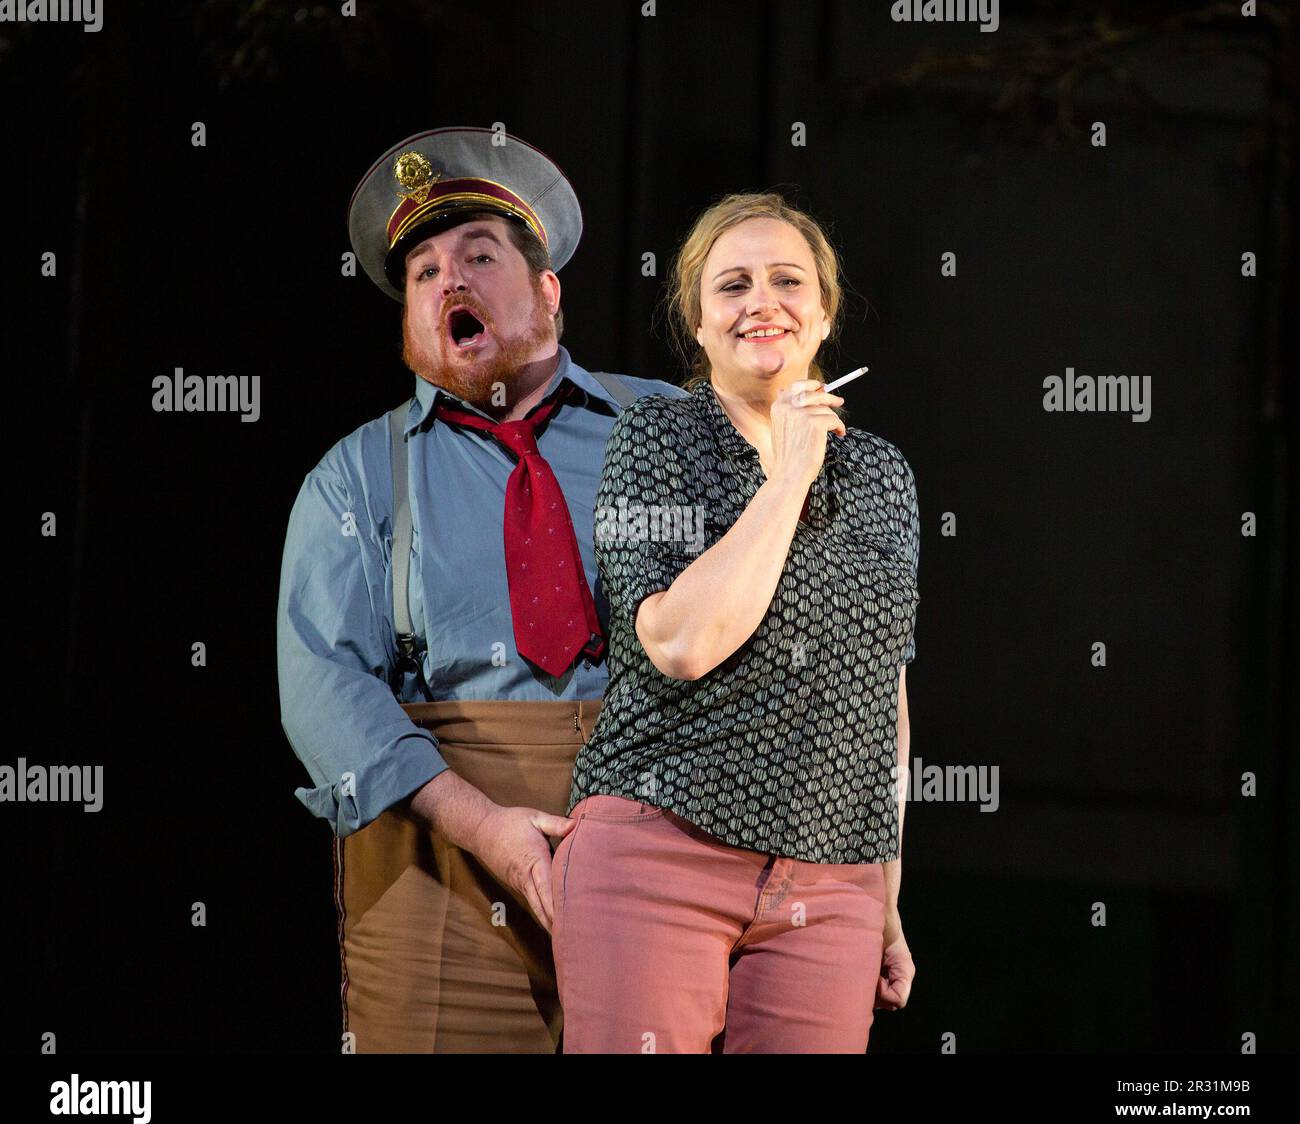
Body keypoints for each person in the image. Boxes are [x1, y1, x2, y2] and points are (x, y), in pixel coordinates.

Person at [276, 126, 683, 1052]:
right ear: (409, 326)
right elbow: (321, 689)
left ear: (548, 292)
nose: (447, 279)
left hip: (661, 864)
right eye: (422, 273)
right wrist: (485, 825)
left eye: (478, 255)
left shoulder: (669, 429)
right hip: (439, 870)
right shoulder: (357, 478)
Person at [551, 191, 920, 1053]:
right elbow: (680, 645)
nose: (763, 301)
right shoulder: (659, 439)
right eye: (733, 285)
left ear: (822, 316)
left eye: (788, 280)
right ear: (700, 323)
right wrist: (787, 477)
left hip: (832, 884)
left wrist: (888, 897)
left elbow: (882, 699)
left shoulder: (881, 476)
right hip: (659, 852)